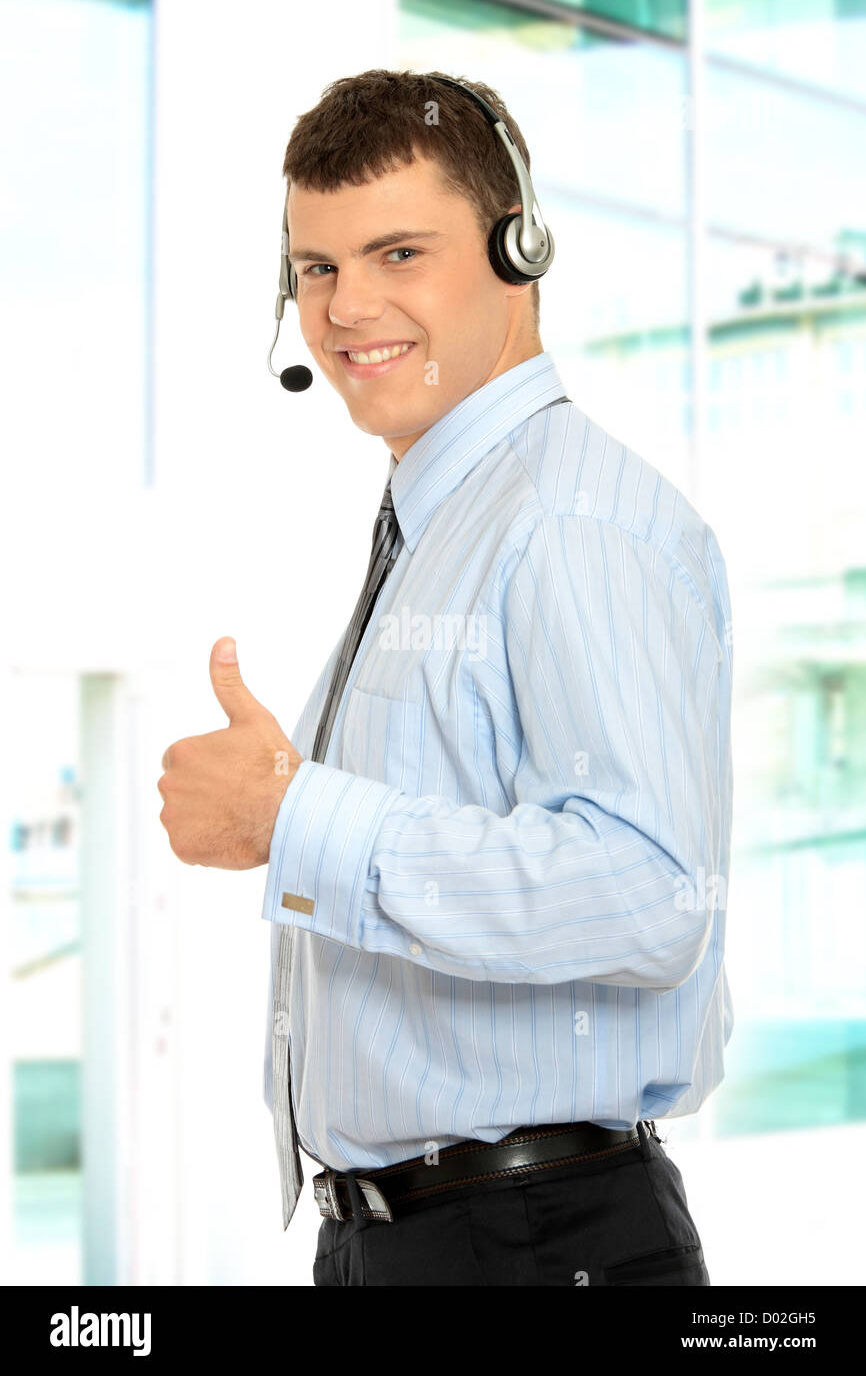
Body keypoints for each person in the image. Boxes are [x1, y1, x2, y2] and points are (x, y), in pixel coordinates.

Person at [158, 69, 733, 1287]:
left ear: (517, 249)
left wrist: (291, 816)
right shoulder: (444, 522)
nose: (345, 306)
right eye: (315, 268)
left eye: (397, 252)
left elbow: (647, 888)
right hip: (425, 1240)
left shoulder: (570, 519)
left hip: (530, 1242)